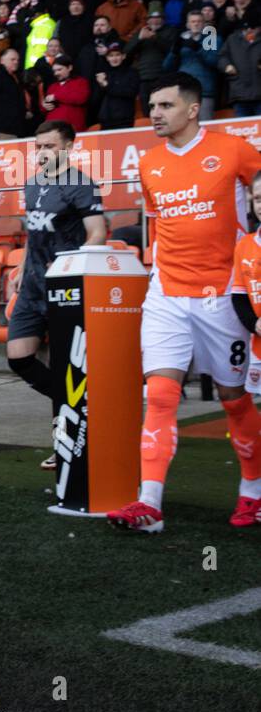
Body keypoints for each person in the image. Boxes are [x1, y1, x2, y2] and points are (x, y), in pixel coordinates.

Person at [108, 72, 261, 532]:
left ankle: (252, 492)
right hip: (167, 292)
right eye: (152, 106)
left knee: (234, 399)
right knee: (159, 393)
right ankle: (149, 504)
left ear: (192, 109)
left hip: (224, 297)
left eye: (165, 105)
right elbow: (159, 225)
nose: (155, 113)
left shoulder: (234, 150)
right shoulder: (150, 162)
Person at [5, 121, 107, 470]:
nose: (42, 152)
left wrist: (73, 271)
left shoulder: (82, 185)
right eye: (38, 147)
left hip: (65, 288)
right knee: (18, 357)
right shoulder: (32, 185)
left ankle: (64, 445)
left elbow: (97, 235)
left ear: (68, 148)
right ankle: (80, 407)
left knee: (66, 369)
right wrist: (19, 271)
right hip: (32, 286)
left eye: (49, 146)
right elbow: (35, 235)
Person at [229, 174, 261, 526]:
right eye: (256, 198)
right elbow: (239, 296)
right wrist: (254, 324)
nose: (260, 203)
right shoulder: (246, 246)